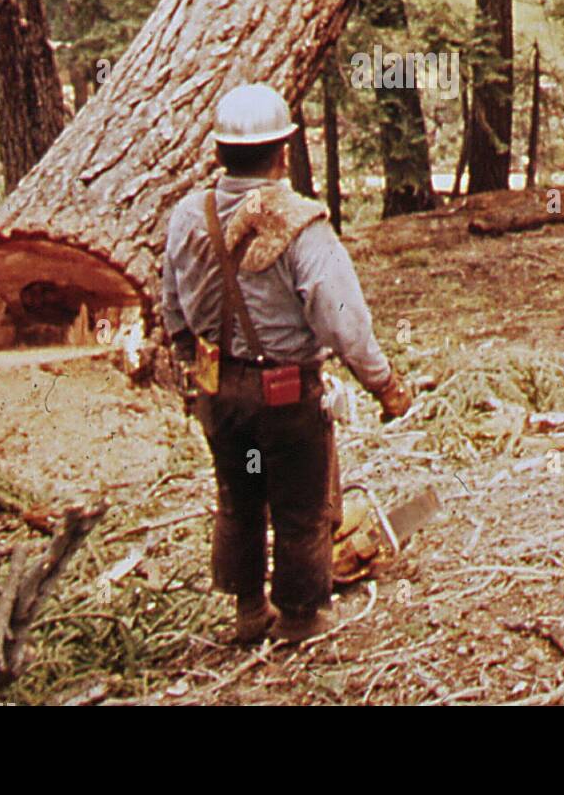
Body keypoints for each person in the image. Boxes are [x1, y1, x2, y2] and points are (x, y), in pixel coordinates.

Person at [162, 82, 412, 643]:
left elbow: (172, 307)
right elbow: (342, 321)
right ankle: (300, 619)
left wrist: (192, 367)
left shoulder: (186, 216)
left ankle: (249, 611)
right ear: (281, 152)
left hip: (220, 395)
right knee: (298, 508)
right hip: (284, 400)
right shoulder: (302, 223)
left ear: (220, 151)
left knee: (240, 494)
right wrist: (385, 384)